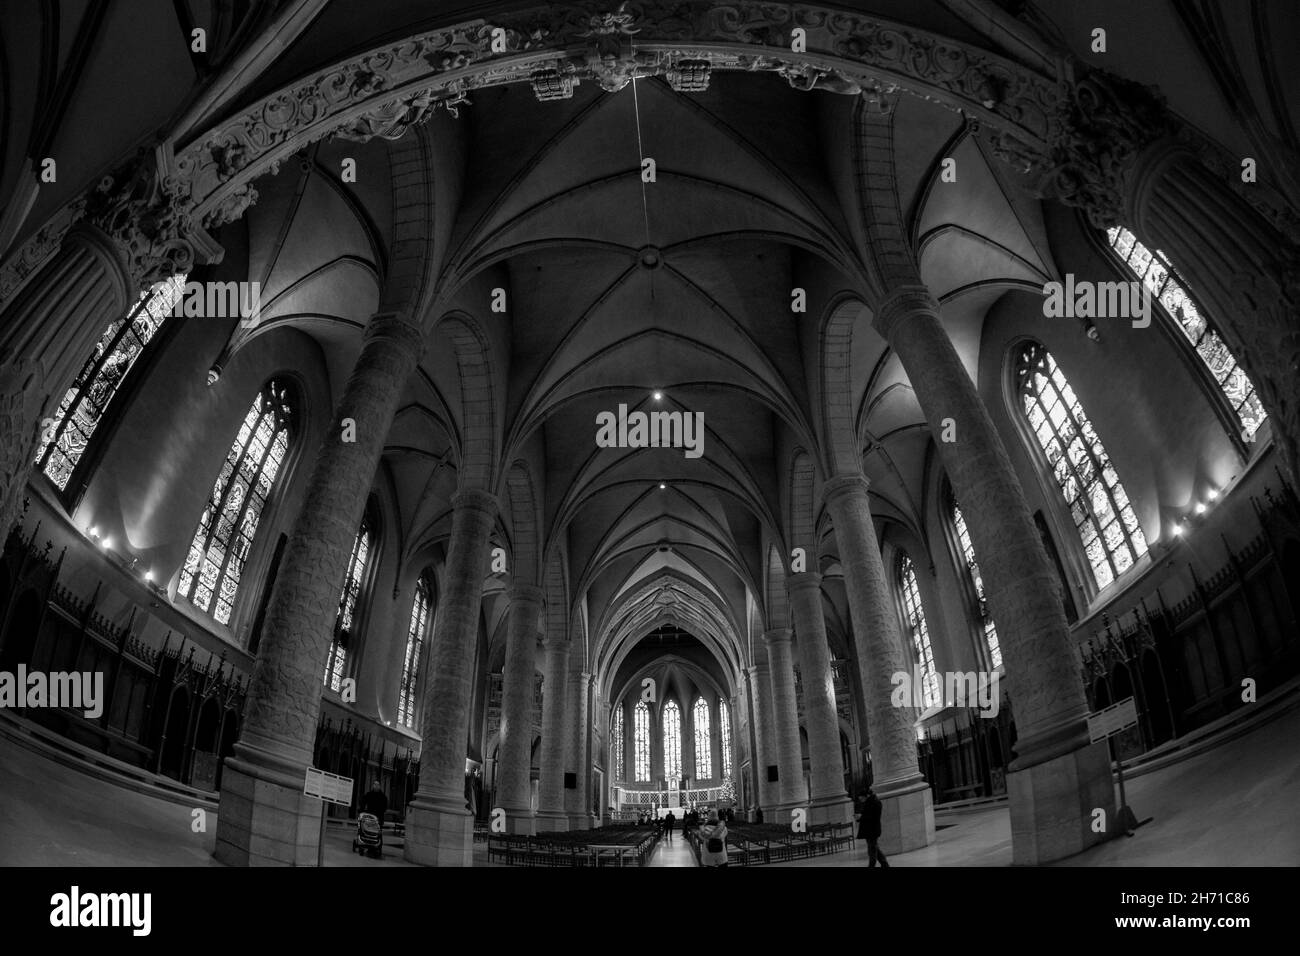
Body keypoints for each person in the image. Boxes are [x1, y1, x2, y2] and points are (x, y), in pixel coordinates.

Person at [859, 787, 889, 868]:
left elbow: (872, 817)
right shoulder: (870, 802)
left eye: (861, 797)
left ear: (867, 795)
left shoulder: (874, 803)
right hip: (870, 830)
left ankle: (872, 865)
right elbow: (868, 816)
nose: (860, 799)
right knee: (875, 849)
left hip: (872, 830)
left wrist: (861, 817)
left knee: (872, 851)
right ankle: (885, 864)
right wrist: (860, 817)